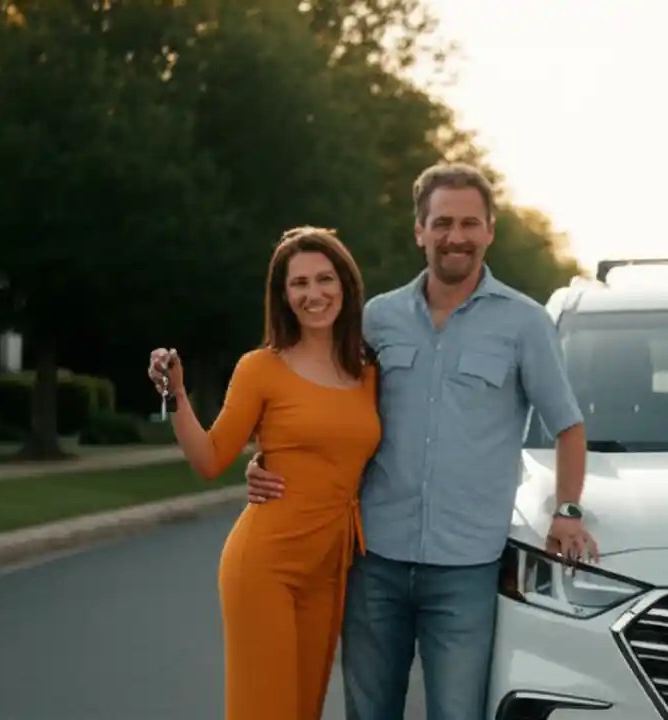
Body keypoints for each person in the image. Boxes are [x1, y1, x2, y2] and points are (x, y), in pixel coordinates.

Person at [244, 162, 599, 720]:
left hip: (467, 570)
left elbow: (568, 425)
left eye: (468, 223)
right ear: (420, 230)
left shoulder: (525, 323)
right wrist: (266, 457)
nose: (454, 236)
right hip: (374, 560)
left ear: (489, 230)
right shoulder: (377, 318)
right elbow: (320, 395)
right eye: (441, 223)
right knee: (369, 713)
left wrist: (568, 511)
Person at [146, 227, 380, 720]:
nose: (314, 294)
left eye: (324, 279)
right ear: (283, 295)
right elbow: (210, 460)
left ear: (346, 285)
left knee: (304, 711)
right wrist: (177, 395)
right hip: (265, 567)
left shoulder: (369, 372)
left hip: (331, 571)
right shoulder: (260, 369)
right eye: (298, 284)